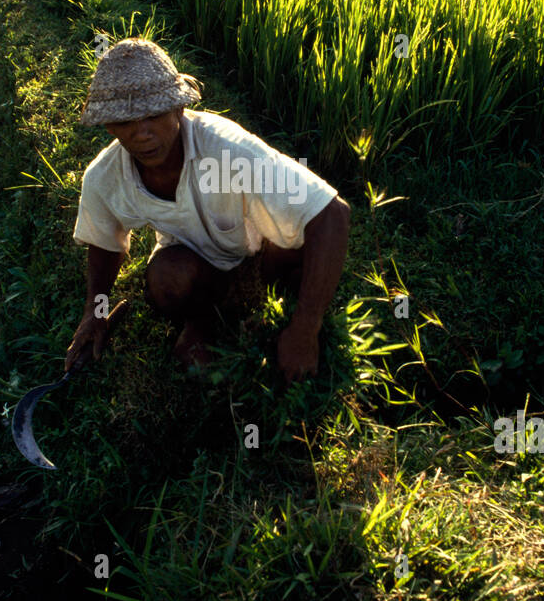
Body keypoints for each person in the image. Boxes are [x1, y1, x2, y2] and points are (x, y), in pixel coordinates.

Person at [65, 38, 351, 382]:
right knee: (165, 280)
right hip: (201, 265)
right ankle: (203, 320)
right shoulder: (105, 177)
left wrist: (306, 328)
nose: (142, 134)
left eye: (154, 115)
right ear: (109, 126)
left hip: (264, 252)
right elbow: (104, 242)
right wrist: (96, 313)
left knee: (300, 252)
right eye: (126, 121)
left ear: (178, 110)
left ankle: (279, 311)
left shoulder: (226, 151)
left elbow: (332, 213)